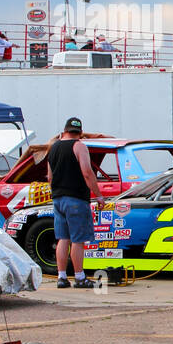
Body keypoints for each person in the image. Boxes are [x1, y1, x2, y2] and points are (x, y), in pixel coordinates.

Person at [45, 117, 102, 289]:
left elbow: (50, 177)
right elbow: (87, 172)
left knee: (63, 238)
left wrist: (56, 192)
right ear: (80, 133)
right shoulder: (79, 146)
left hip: (58, 199)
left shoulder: (53, 148)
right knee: (78, 240)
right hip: (76, 199)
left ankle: (61, 277)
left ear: (64, 131)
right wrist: (98, 195)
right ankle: (79, 277)